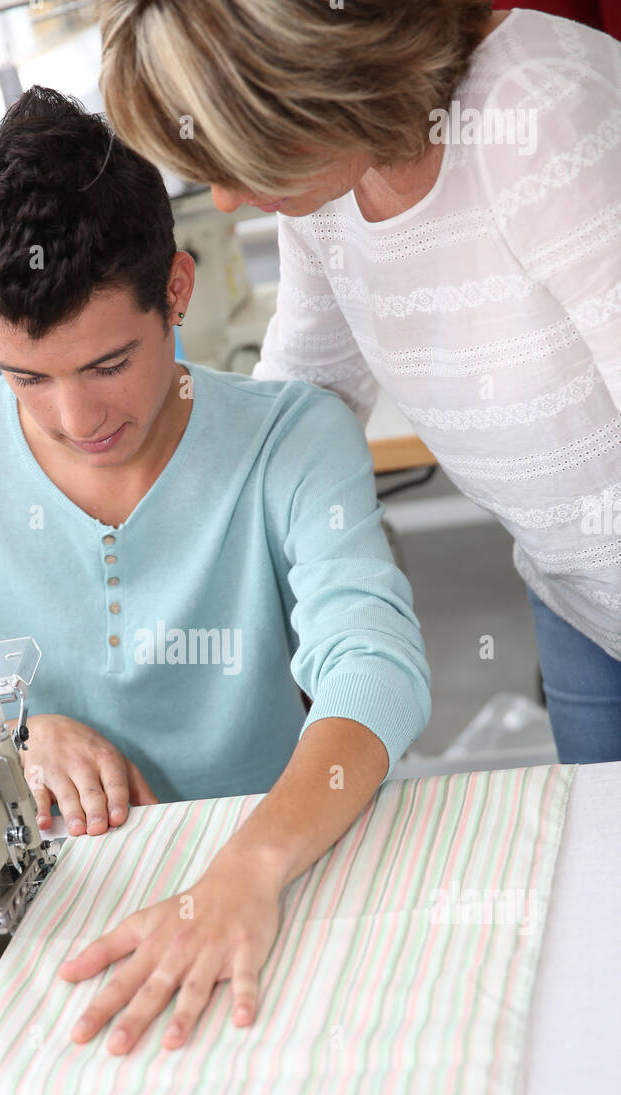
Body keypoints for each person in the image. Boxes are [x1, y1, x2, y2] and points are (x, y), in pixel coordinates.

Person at [0, 88, 429, 1055]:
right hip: (46, 915)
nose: (77, 419)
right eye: (26, 377)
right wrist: (11, 743)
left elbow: (377, 669)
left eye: (108, 363)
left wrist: (245, 875)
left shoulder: (291, 437)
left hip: (273, 868)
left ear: (178, 290)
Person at [98, 0, 621, 765]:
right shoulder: (330, 179)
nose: (226, 200)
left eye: (242, 156)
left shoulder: (540, 113)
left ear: (323, 81)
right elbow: (309, 389)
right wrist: (168, 543)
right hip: (577, 596)